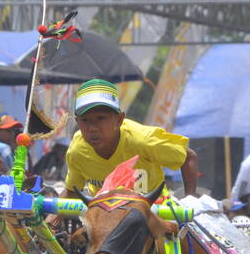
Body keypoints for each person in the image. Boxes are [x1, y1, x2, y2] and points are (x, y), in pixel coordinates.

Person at [64, 78, 197, 198]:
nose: (92, 128)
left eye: (101, 118)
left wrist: (190, 200)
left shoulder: (143, 141)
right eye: (85, 120)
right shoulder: (77, 150)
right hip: (104, 213)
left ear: (119, 119)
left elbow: (188, 157)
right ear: (77, 122)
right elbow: (71, 191)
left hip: (153, 211)